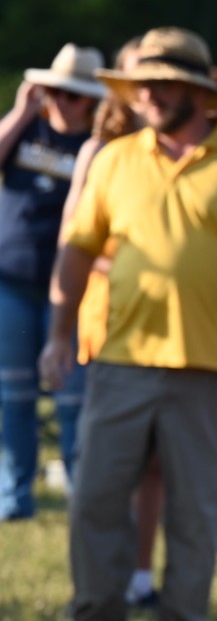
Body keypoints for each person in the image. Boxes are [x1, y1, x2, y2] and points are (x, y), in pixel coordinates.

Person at [39, 27, 217, 621]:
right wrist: (59, 334)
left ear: (201, 92)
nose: (148, 94)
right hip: (120, 362)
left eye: (162, 83)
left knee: (195, 515)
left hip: (211, 369)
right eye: (141, 84)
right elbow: (76, 250)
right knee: (95, 502)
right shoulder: (115, 158)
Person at [60, 37, 162, 606]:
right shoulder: (100, 152)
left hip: (171, 327)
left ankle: (140, 575)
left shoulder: (177, 151)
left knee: (155, 463)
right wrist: (131, 262)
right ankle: (104, 581)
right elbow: (72, 239)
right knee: (111, 461)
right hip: (112, 320)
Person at [0, 44, 104, 520]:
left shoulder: (98, 149)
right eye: (57, 92)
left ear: (91, 101)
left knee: (72, 400)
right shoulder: (26, 131)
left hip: (72, 290)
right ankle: (13, 496)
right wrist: (22, 112)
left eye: (75, 96)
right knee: (13, 397)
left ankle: (81, 494)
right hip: (13, 282)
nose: (64, 102)